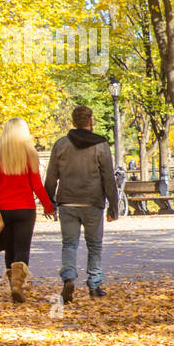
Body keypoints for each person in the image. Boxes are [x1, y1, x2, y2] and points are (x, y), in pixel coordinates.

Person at [44, 105, 118, 301]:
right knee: (94, 245)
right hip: (92, 201)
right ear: (90, 121)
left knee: (69, 243)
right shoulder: (101, 146)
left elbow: (51, 176)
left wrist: (48, 201)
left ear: (73, 122)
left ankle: (68, 277)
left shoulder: (61, 145)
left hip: (67, 201)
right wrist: (113, 205)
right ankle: (94, 284)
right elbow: (108, 178)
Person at [0, 118, 56, 303]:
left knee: (10, 249)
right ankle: (18, 285)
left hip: (2, 208)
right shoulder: (29, 152)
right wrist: (48, 206)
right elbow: (37, 185)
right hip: (25, 208)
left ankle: (12, 286)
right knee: (22, 249)